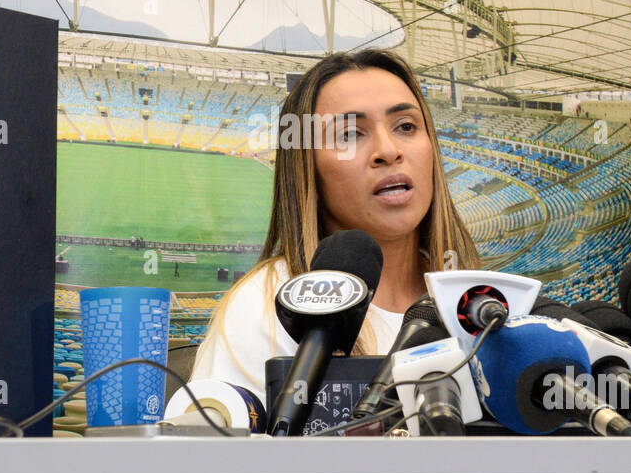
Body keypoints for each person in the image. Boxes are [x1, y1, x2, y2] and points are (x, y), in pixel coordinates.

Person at [189, 49, 479, 403]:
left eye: (406, 126)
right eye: (350, 134)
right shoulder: (260, 308)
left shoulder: (480, 304)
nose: (387, 151)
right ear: (307, 169)